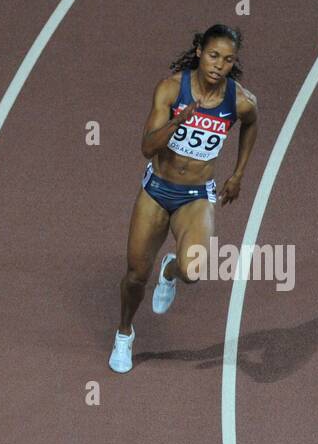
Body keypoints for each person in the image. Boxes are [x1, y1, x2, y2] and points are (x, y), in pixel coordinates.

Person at [109, 24, 259, 373]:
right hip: (158, 190)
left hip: (197, 195)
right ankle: (124, 332)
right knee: (134, 275)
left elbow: (252, 124)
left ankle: (171, 270)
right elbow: (146, 147)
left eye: (227, 59)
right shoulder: (171, 88)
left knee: (192, 271)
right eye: (213, 55)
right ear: (199, 52)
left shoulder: (240, 101)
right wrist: (178, 123)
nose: (218, 65)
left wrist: (238, 173)